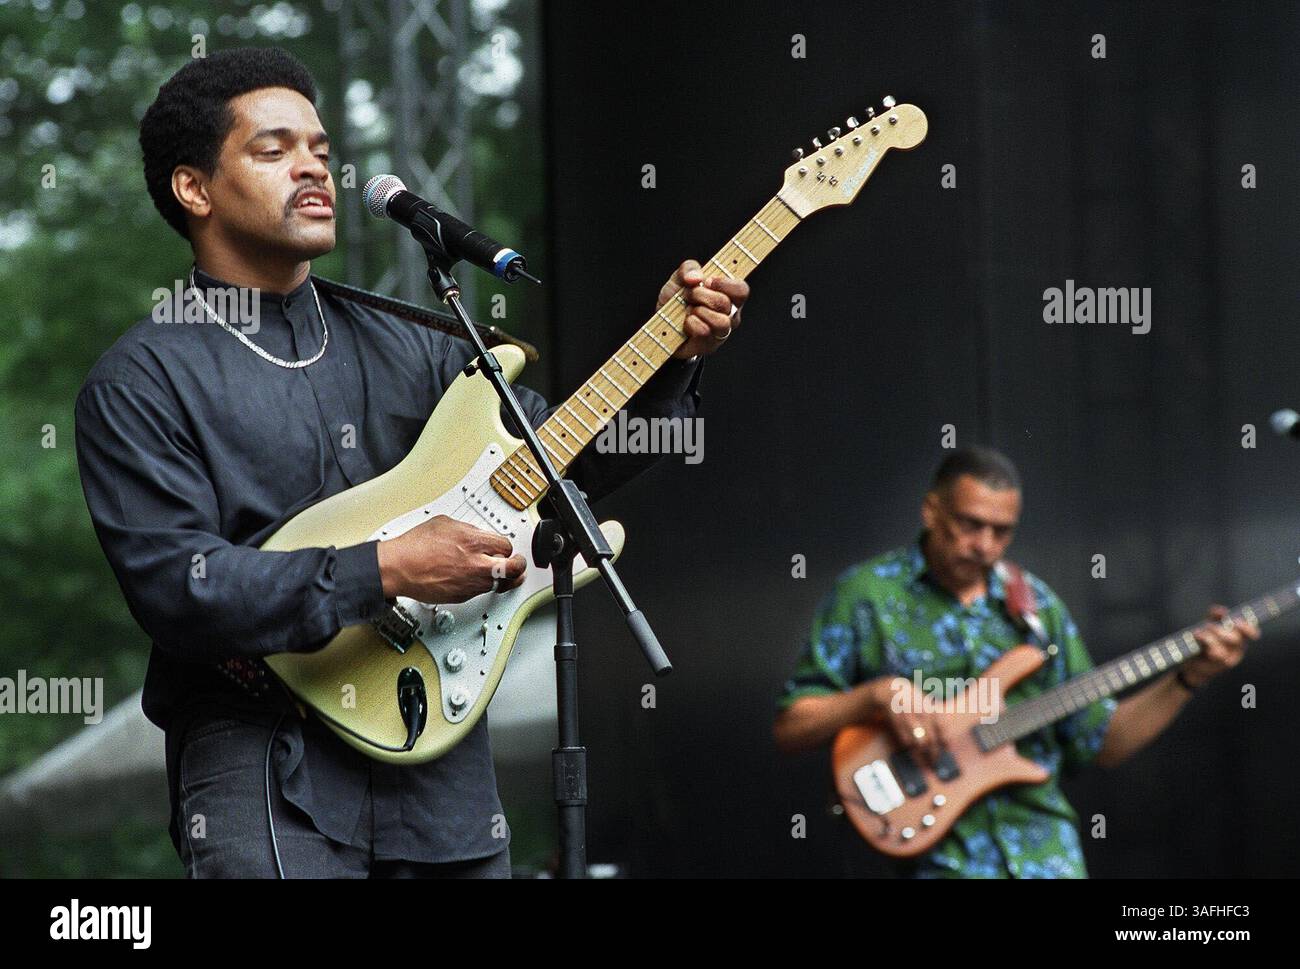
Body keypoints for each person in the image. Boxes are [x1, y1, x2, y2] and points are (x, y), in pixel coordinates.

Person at [74, 46, 748, 878]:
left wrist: (672, 358)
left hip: (439, 760)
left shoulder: (420, 346)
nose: (314, 169)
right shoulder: (142, 378)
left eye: (320, 150)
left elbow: (567, 469)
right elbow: (181, 588)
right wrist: (386, 567)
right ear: (194, 187)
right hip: (262, 758)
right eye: (274, 149)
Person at [772, 446, 1258, 878]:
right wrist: (875, 695)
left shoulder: (1037, 607)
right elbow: (793, 726)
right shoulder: (867, 594)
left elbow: (1104, 742)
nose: (984, 545)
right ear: (931, 511)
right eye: (970, 524)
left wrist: (1189, 677)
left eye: (1001, 532)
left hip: (1045, 854)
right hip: (939, 859)